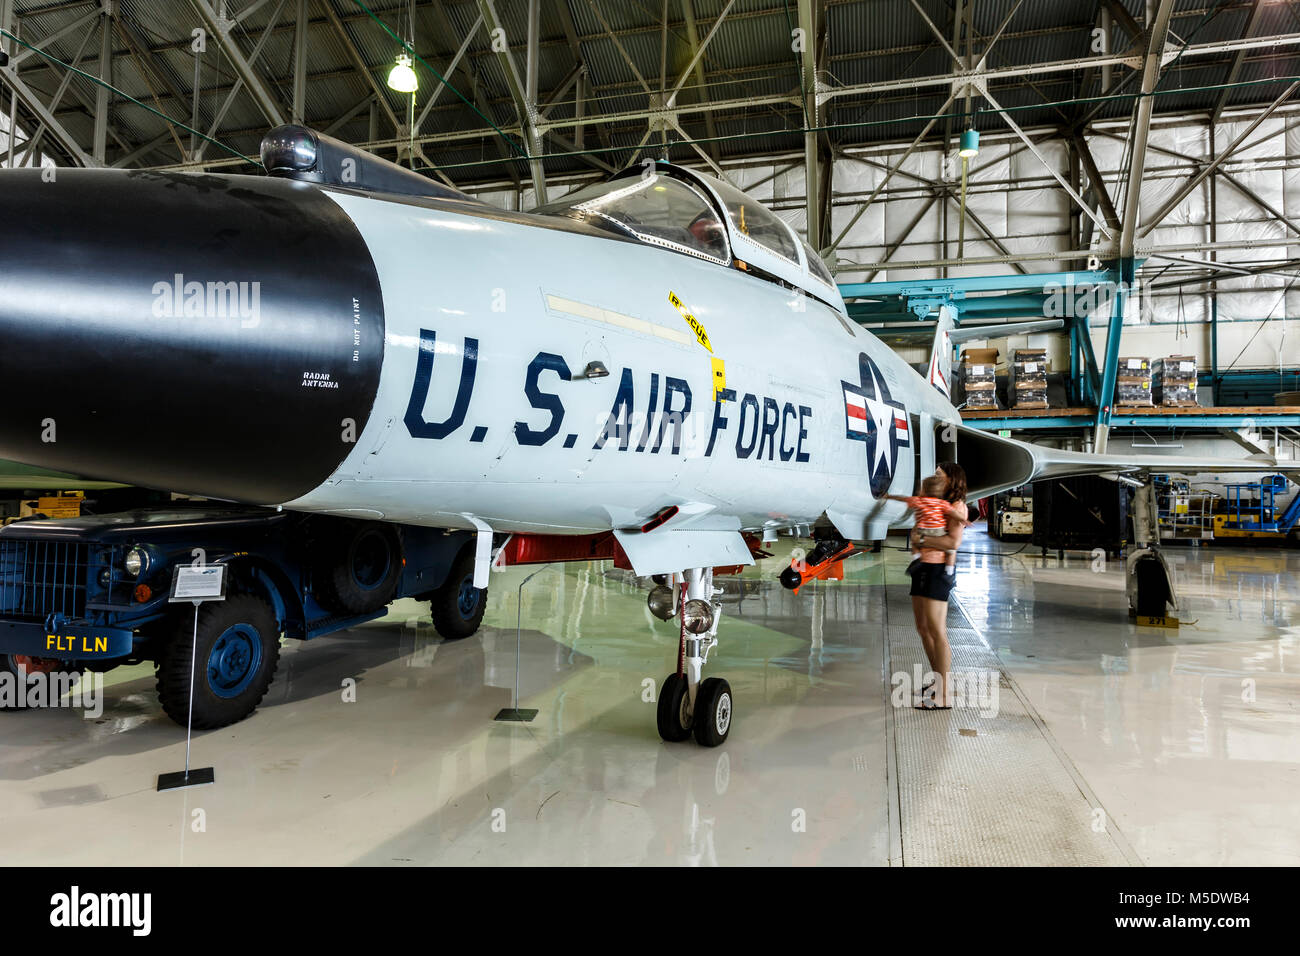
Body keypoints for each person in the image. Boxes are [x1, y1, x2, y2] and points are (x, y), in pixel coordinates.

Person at [905, 461, 969, 709]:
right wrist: (921, 538)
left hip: (937, 570)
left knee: (937, 631)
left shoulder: (956, 506)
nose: (935, 478)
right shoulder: (932, 503)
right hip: (922, 566)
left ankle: (943, 695)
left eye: (940, 475)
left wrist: (923, 538)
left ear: (953, 480)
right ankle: (936, 682)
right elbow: (917, 532)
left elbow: (952, 542)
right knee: (922, 628)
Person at [885, 475, 973, 577]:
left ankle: (916, 558)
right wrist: (963, 519)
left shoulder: (918, 500)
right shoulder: (942, 503)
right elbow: (953, 513)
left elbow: (903, 498)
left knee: (915, 542)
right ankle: (949, 569)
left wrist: (889, 496)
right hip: (938, 531)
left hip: (922, 530)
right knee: (951, 550)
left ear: (924, 490)